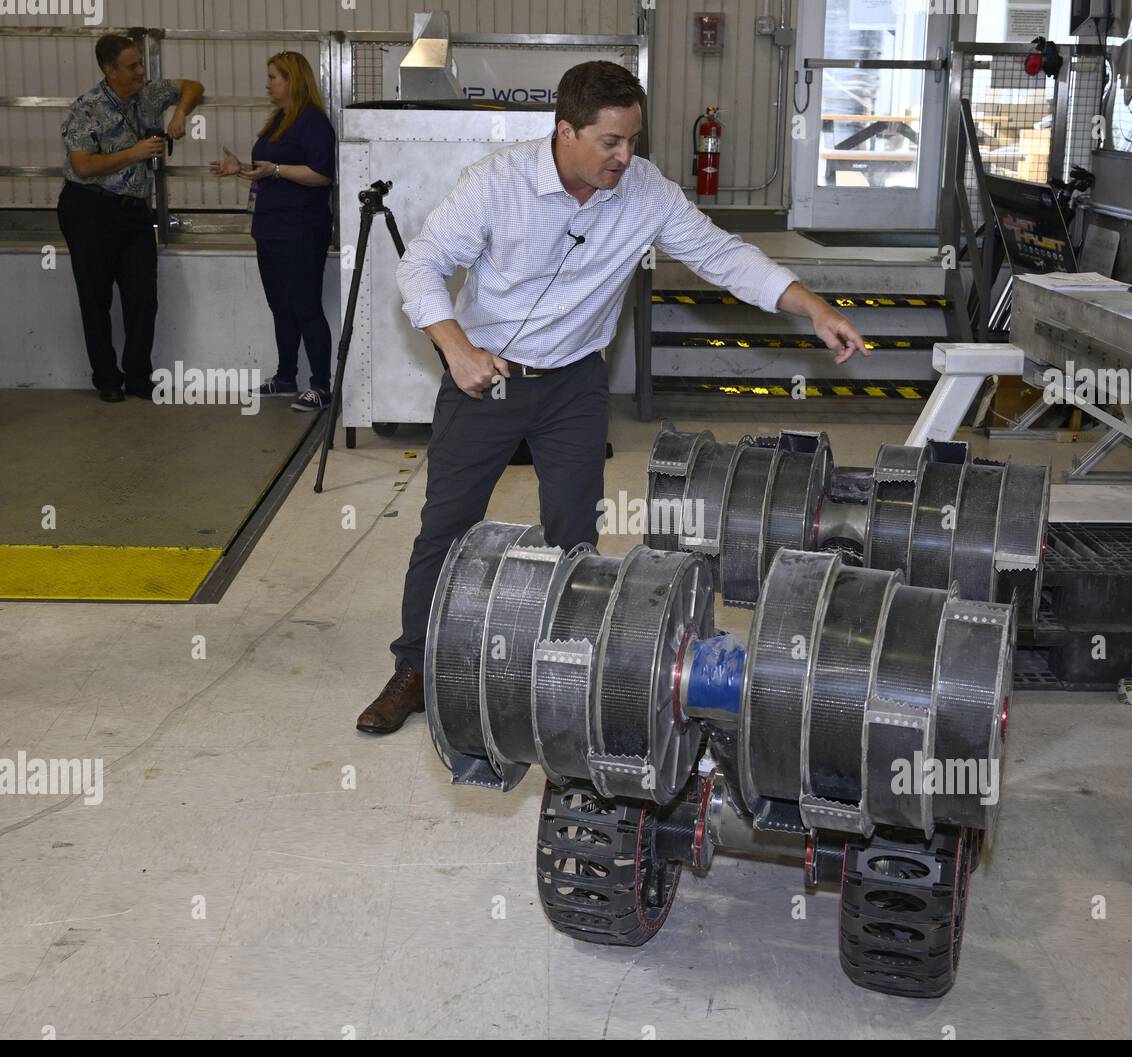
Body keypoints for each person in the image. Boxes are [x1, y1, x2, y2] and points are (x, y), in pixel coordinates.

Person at [356, 61, 867, 734]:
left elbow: (721, 256)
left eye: (633, 140)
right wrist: (455, 347)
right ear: (565, 132)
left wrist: (812, 306)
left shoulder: (645, 192)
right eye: (611, 142)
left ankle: (559, 660)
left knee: (574, 530)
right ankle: (416, 667)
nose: (626, 157)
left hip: (573, 382)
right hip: (486, 375)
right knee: (446, 529)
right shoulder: (496, 184)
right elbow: (421, 264)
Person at [58, 34, 203, 402]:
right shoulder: (87, 108)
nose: (142, 71)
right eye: (132, 66)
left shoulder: (149, 94)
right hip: (91, 208)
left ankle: (138, 375)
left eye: (142, 63)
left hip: (135, 211)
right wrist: (134, 152)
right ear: (110, 71)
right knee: (96, 298)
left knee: (142, 296)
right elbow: (83, 164)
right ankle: (107, 378)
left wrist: (181, 111)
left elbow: (192, 85)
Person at [210, 51, 336, 412]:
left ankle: (320, 385)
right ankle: (286, 376)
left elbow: (321, 174)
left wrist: (276, 170)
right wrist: (241, 168)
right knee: (280, 305)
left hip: (300, 228)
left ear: (292, 80)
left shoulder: (313, 122)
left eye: (273, 78)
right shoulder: (280, 119)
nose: (267, 85)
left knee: (305, 305)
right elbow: (270, 167)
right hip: (269, 227)